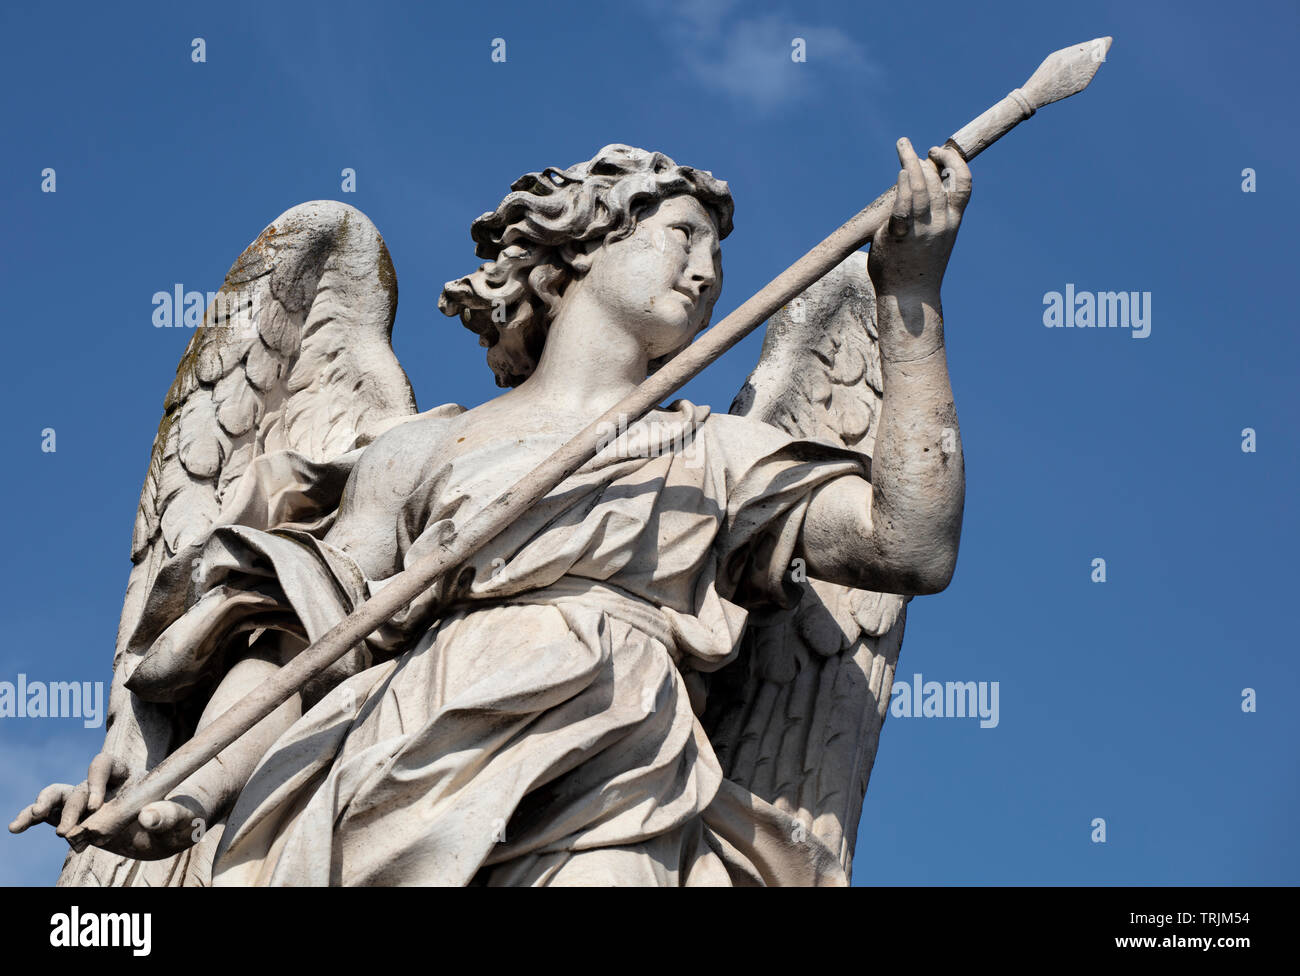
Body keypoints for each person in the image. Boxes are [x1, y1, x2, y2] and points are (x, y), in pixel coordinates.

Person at [12, 140, 970, 885]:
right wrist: (189, 796)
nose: (708, 267)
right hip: (403, 761)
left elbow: (910, 545)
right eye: (681, 233)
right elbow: (303, 638)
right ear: (584, 245)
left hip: (623, 761)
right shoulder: (422, 448)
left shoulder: (716, 452)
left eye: (718, 249)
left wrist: (910, 298)